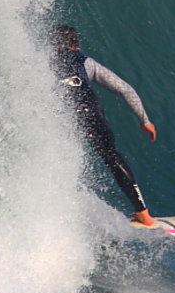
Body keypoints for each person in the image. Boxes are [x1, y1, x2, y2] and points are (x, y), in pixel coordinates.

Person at [52, 24, 157, 226]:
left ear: (54, 45)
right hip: (90, 109)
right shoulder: (85, 61)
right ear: (76, 45)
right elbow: (126, 89)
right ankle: (143, 214)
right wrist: (145, 120)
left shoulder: (41, 61)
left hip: (64, 114)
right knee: (111, 156)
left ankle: (62, 215)